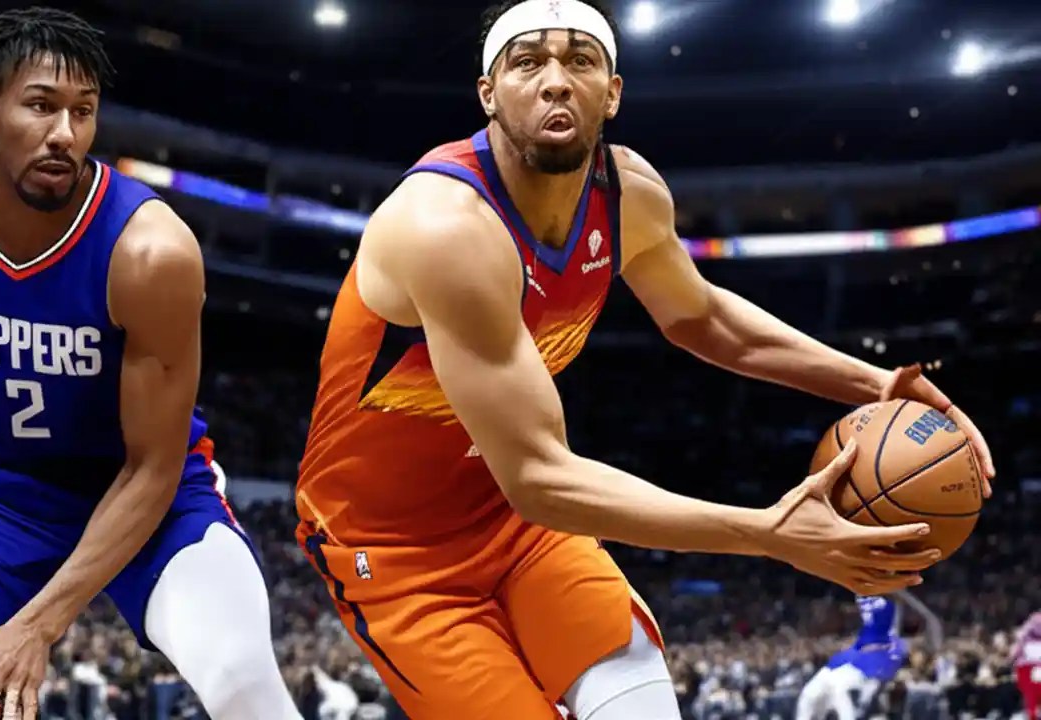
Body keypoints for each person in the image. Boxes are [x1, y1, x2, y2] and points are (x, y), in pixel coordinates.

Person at [293, 1, 995, 718]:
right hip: (397, 550)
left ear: (613, 92)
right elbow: (539, 476)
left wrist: (881, 384)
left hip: (518, 526)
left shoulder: (630, 194)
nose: (556, 81)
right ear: (488, 93)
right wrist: (766, 535)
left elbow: (706, 318)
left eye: (580, 61)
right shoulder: (444, 227)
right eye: (528, 61)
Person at [0, 8, 298, 719]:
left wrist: (39, 623)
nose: (64, 134)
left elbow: (153, 468)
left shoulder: (150, 253)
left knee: (243, 685)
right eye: (41, 105)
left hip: (148, 498)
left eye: (84, 112)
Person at [795, 592, 942, 720]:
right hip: (846, 663)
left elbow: (932, 624)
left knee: (840, 692)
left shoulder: (900, 647)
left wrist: (907, 599)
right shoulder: (883, 629)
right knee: (809, 695)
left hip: (861, 673)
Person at [1014, 611, 1041, 720]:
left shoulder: (1025, 634)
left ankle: (1032, 713)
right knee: (1031, 695)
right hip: (1028, 667)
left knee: (1031, 696)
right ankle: (1032, 713)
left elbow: (1015, 653)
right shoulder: (1025, 635)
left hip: (1029, 667)